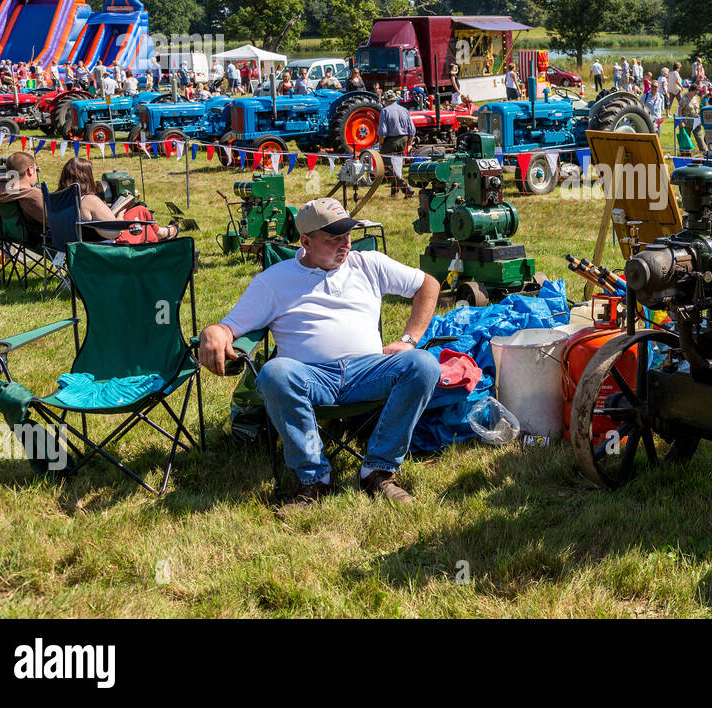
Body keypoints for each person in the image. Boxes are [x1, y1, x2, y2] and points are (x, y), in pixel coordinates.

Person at [197, 198, 443, 511]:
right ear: (305, 241)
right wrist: (213, 332)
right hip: (310, 375)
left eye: (348, 235)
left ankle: (378, 472)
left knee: (423, 364)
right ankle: (314, 480)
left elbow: (428, 285)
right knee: (274, 373)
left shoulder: (368, 263)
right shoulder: (274, 281)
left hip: (369, 371)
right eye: (334, 239)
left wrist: (409, 339)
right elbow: (228, 327)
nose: (345, 244)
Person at [56, 158, 180, 242]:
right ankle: (162, 235)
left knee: (140, 210)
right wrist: (120, 213)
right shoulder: (89, 201)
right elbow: (114, 232)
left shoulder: (59, 198)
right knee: (140, 216)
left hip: (69, 242)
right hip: (103, 247)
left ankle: (161, 233)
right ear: (87, 177)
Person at [0, 152, 45, 235]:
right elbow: (53, 222)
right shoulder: (34, 195)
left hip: (7, 235)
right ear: (30, 170)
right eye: (36, 169)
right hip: (36, 240)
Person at [378, 89, 416, 198]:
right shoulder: (404, 110)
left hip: (390, 141)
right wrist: (409, 143)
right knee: (398, 165)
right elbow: (412, 130)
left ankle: (406, 188)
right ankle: (394, 193)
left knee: (390, 167)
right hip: (403, 140)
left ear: (386, 101)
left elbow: (382, 131)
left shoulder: (385, 111)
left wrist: (381, 143)